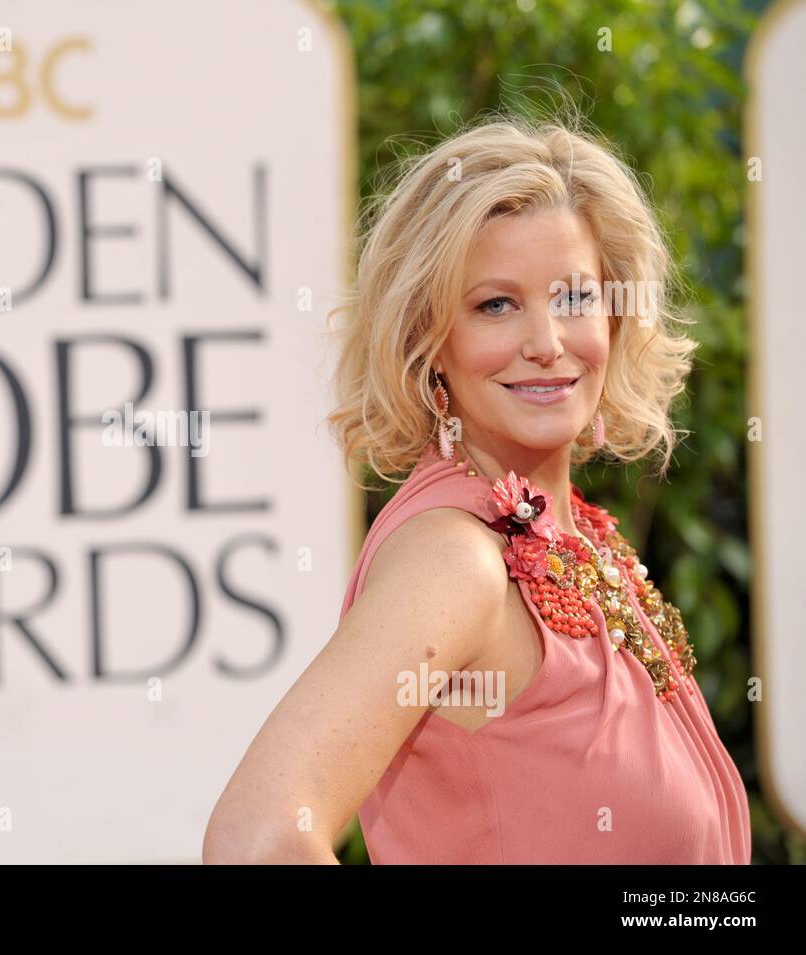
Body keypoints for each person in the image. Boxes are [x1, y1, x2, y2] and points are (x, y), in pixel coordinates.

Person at [202, 116, 751, 864]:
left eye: (574, 298)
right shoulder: (456, 559)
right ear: (431, 343)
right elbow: (256, 838)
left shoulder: (572, 534)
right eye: (496, 304)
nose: (546, 341)